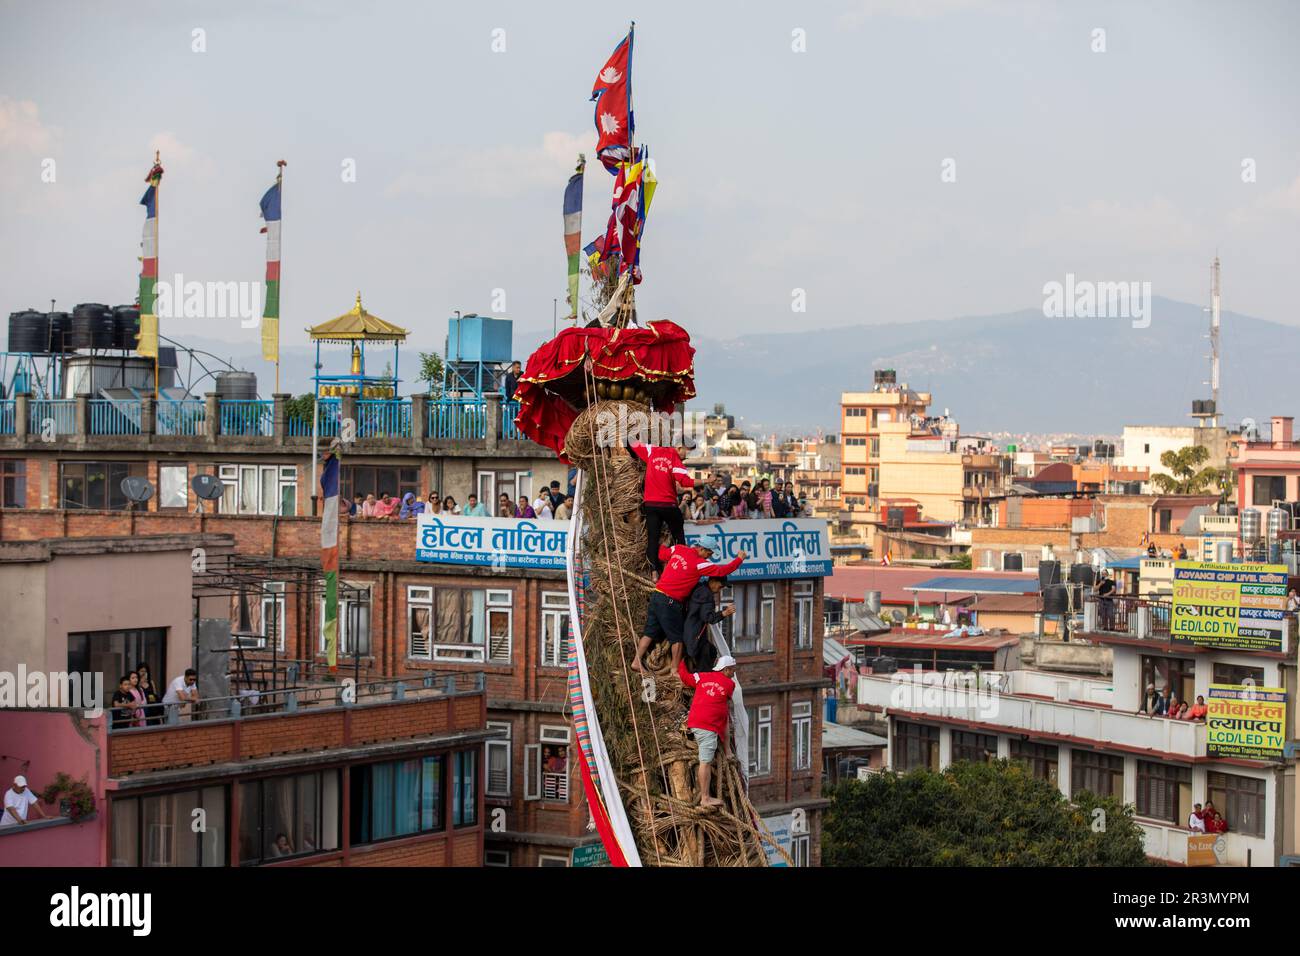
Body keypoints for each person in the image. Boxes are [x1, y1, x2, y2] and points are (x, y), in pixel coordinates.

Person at [632, 536, 745, 674]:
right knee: (677, 640)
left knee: (649, 633)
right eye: (709, 553)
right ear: (702, 549)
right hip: (670, 602)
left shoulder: (678, 549)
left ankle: (636, 661)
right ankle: (674, 672)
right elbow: (722, 571)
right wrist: (739, 559)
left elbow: (662, 554)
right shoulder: (700, 563)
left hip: (656, 595)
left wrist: (660, 542)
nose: (709, 557)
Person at [676, 654, 739, 807]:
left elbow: (684, 676)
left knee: (705, 758)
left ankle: (705, 797)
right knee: (705, 762)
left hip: (695, 721)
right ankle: (705, 798)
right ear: (725, 670)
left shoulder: (701, 677)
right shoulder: (729, 685)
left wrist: (681, 661)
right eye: (732, 670)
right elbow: (724, 716)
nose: (734, 674)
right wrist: (727, 749)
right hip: (708, 726)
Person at [628, 437, 696, 572]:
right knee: (679, 535)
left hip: (650, 504)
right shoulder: (674, 457)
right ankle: (681, 565)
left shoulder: (651, 450)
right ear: (679, 448)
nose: (686, 456)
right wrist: (706, 481)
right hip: (668, 505)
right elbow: (685, 481)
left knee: (652, 539)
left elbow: (632, 442)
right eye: (687, 452)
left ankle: (654, 571)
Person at [683, 576, 736, 672]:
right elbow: (707, 617)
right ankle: (704, 678)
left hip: (688, 630)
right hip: (694, 634)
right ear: (712, 581)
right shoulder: (706, 595)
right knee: (707, 653)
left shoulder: (699, 588)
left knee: (711, 650)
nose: (720, 590)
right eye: (720, 587)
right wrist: (724, 613)